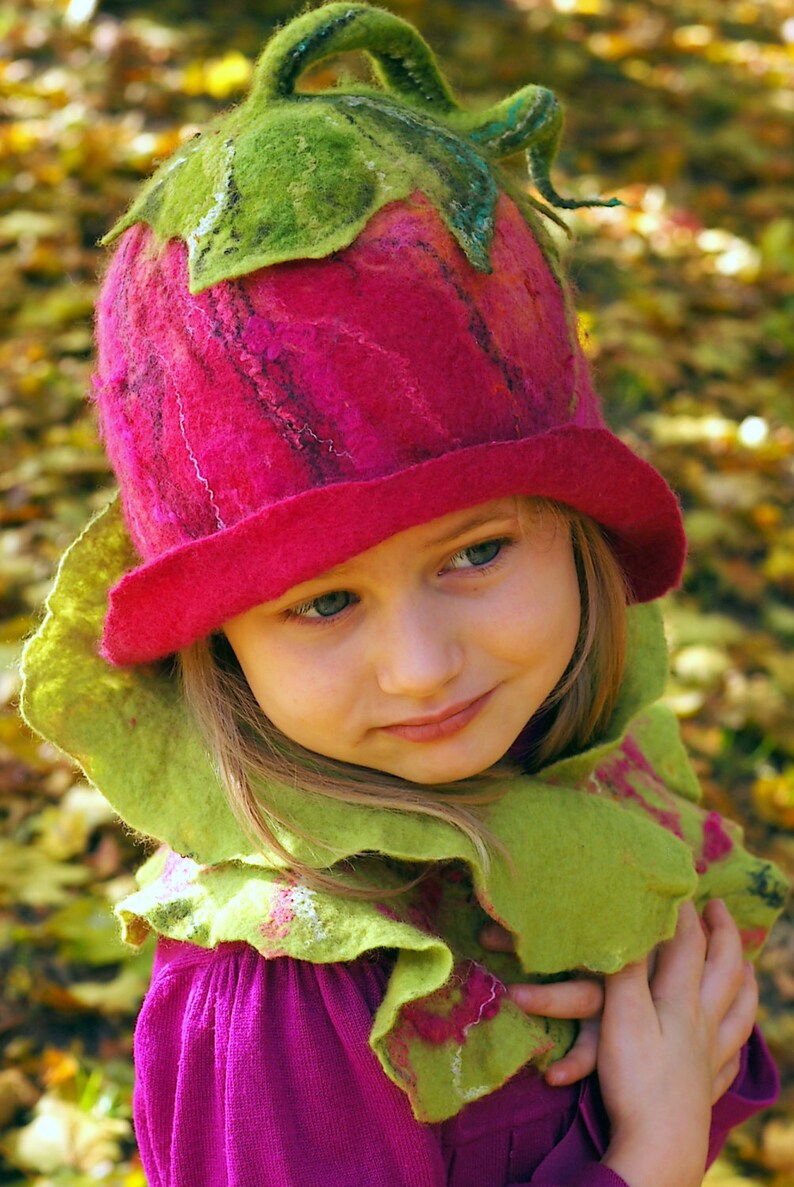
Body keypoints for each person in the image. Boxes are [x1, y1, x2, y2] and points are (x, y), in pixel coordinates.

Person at [21, 5, 786, 1185]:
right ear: (218, 649)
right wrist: (652, 1149)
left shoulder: (579, 795)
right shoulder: (294, 1000)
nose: (422, 666)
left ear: (575, 532)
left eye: (474, 553)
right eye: (323, 604)